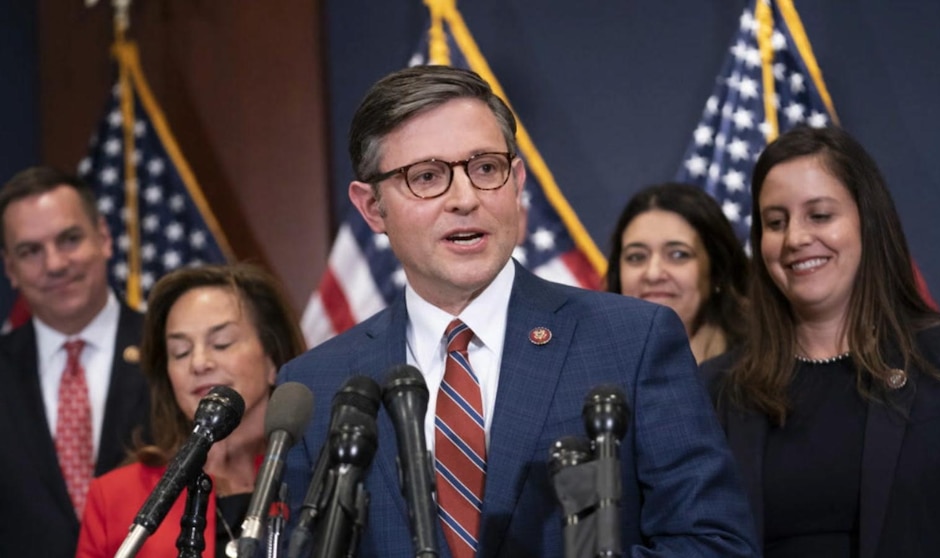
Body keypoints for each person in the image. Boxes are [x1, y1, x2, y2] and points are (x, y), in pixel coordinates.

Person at [279, 65, 759, 557]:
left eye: (486, 169)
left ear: (517, 181)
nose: (465, 199)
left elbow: (715, 545)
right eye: (426, 177)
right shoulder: (316, 388)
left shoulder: (632, 342)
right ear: (372, 208)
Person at [701, 125, 940, 557]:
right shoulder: (718, 389)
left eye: (819, 215)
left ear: (867, 221)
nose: (795, 238)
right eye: (775, 223)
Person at [76, 264, 306, 557]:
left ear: (272, 359)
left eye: (221, 343)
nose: (198, 363)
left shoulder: (315, 477)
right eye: (180, 352)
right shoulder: (115, 497)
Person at [0, 166, 150, 557]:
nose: (54, 264)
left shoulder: (168, 351)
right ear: (10, 268)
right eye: (30, 251)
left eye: (69, 239)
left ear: (104, 238)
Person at [605, 183, 749, 362]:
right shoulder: (586, 364)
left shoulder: (757, 367)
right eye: (636, 257)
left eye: (678, 255)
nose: (653, 274)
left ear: (717, 272)